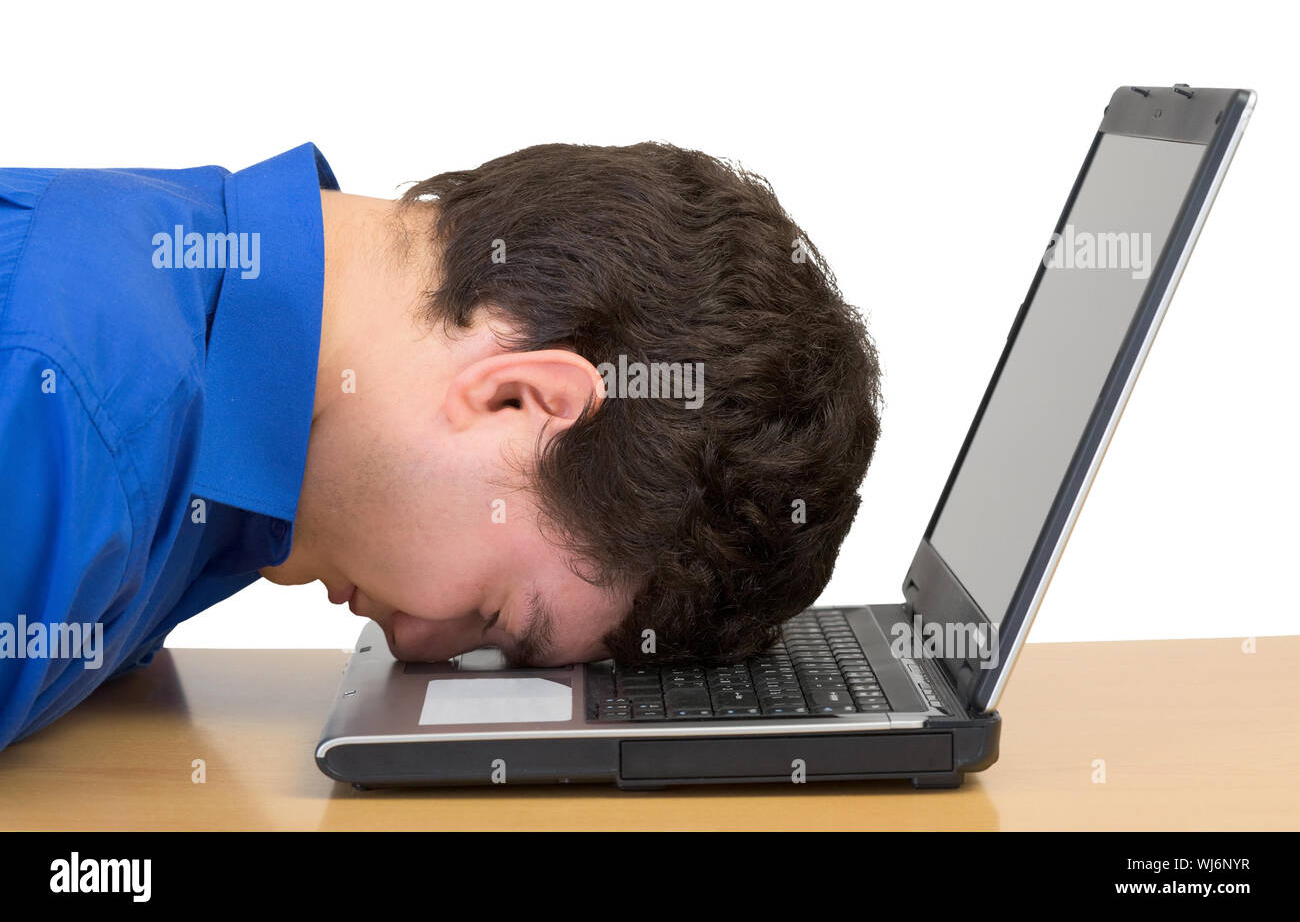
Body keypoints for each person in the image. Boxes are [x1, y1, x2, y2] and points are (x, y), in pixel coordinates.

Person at [0, 141, 881, 751]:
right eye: (493, 615)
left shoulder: (211, 332)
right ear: (520, 396)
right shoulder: (70, 415)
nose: (421, 646)